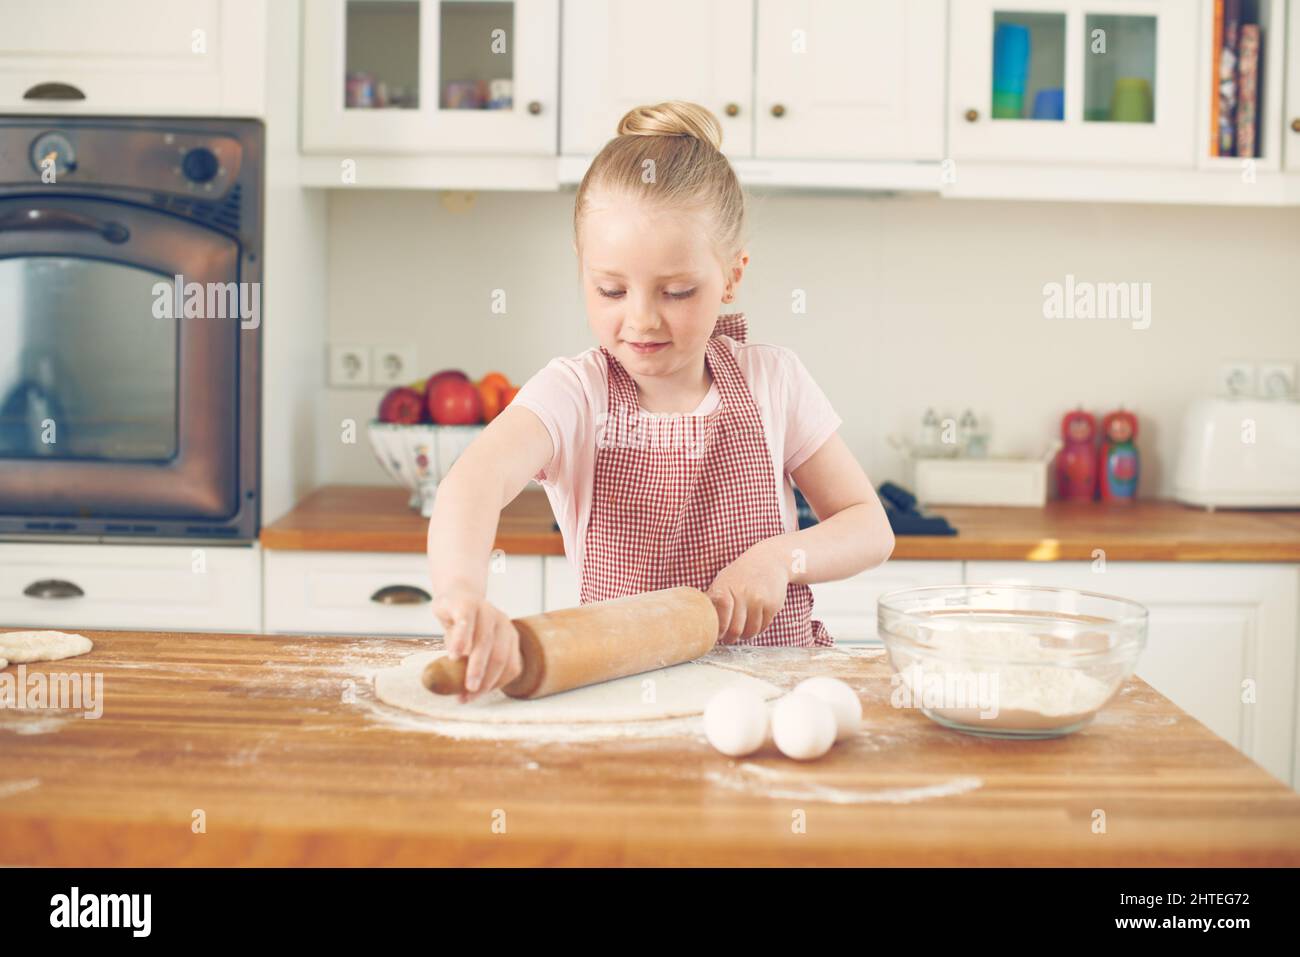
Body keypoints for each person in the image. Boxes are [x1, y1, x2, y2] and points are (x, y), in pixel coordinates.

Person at [428, 101, 894, 702]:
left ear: (731, 277)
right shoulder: (575, 393)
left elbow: (869, 526)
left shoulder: (772, 380)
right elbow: (474, 481)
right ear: (583, 272)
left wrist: (782, 558)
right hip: (626, 695)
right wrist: (464, 595)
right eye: (612, 289)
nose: (641, 319)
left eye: (676, 291)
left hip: (775, 691)